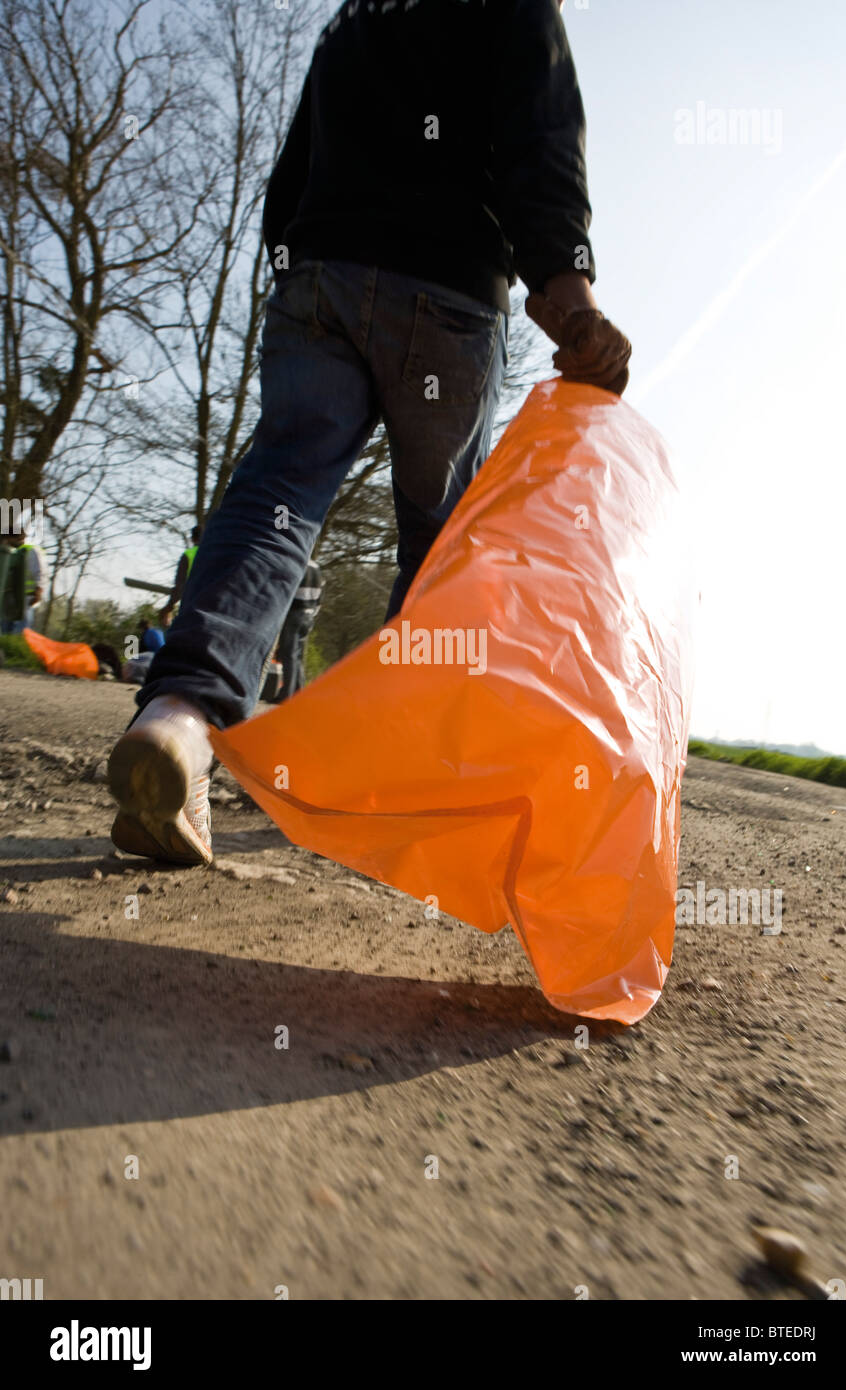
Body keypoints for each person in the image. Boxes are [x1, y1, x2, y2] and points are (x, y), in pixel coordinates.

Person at [107, 0, 631, 867]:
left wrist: (298, 274)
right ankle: (388, 785)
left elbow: (291, 178)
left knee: (277, 495)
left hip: (321, 281)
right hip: (449, 295)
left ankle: (178, 720)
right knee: (435, 540)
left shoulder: (354, 18)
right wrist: (568, 299)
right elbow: (539, 149)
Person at [275, 558, 323, 701]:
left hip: (295, 613)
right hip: (309, 615)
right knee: (298, 656)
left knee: (288, 654)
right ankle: (299, 692)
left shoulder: (298, 562)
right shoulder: (316, 567)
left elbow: (287, 589)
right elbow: (321, 595)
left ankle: (286, 695)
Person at [0, 525, 47, 635]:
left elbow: (41, 573)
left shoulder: (31, 551)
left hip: (26, 599)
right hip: (8, 599)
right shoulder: (7, 553)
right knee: (6, 632)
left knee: (21, 632)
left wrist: (38, 592)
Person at [158, 525, 201, 629]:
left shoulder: (188, 555)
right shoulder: (216, 554)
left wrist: (169, 607)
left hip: (191, 607)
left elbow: (179, 586)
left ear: (192, 539)